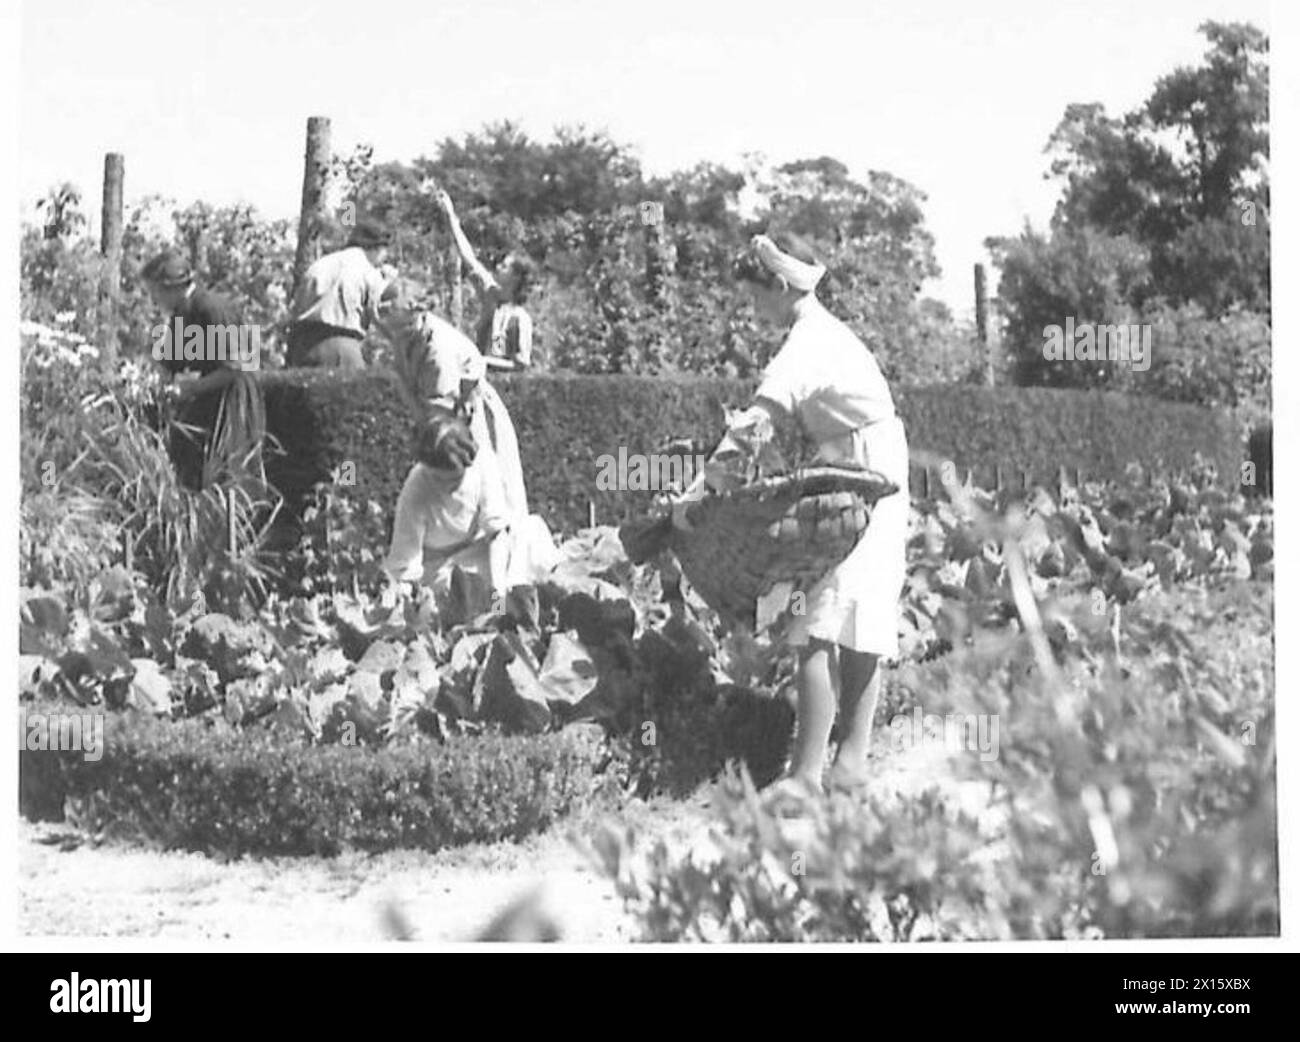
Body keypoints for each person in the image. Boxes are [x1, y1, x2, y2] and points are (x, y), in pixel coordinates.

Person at [674, 233, 910, 797]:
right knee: (856, 612)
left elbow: (754, 427)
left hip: (863, 467)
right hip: (869, 456)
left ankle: (806, 778)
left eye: (756, 297)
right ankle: (849, 765)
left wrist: (695, 495)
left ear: (780, 286)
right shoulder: (825, 333)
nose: (754, 310)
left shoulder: (806, 345)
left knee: (819, 617)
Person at [141, 251, 265, 489]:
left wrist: (192, 387)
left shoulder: (212, 309)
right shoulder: (181, 314)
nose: (152, 299)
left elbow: (237, 367)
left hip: (232, 404)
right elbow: (169, 363)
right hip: (205, 405)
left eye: (154, 291)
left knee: (227, 479)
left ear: (170, 288)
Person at [383, 406, 512, 602]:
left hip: (484, 555)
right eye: (436, 478)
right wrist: (406, 601)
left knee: (530, 536)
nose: (444, 486)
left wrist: (498, 595)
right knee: (457, 591)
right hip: (441, 569)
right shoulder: (416, 487)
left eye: (452, 480)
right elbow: (406, 562)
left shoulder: (484, 464)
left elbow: (496, 533)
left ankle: (503, 608)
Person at [435, 189, 535, 371]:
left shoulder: (519, 318)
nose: (498, 268)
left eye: (505, 267)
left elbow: (521, 364)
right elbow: (468, 257)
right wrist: (451, 216)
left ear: (515, 277)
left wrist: (482, 361)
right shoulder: (491, 294)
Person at [287, 219, 399, 369]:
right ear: (378, 248)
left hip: (302, 348)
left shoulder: (319, 265)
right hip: (343, 349)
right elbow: (382, 312)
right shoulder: (367, 270)